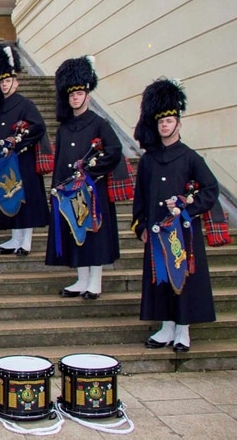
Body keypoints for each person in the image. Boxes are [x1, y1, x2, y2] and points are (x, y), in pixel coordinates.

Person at [132, 78, 218, 352]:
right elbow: (141, 196)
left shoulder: (192, 158)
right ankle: (166, 327)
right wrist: (141, 225)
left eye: (169, 121)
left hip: (184, 233)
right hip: (157, 231)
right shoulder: (148, 160)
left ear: (178, 124)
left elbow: (210, 189)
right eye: (161, 122)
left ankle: (183, 330)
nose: (165, 125)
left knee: (184, 278)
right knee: (162, 278)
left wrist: (187, 209)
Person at [47, 55, 122, 300]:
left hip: (92, 190)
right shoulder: (65, 127)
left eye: (79, 94)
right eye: (71, 95)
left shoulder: (100, 123)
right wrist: (56, 187)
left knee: (94, 235)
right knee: (74, 231)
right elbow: (59, 159)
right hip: (69, 190)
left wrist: (91, 171)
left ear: (88, 96)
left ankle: (95, 282)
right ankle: (81, 279)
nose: (75, 98)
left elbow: (114, 151)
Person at [0, 43, 48, 256]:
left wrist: (17, 143)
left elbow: (38, 127)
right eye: (2, 81)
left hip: (22, 161)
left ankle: (25, 240)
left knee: (24, 199)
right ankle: (15, 237)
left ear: (16, 83)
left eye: (8, 81)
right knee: (10, 197)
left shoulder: (25, 104)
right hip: (5, 163)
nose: (4, 85)